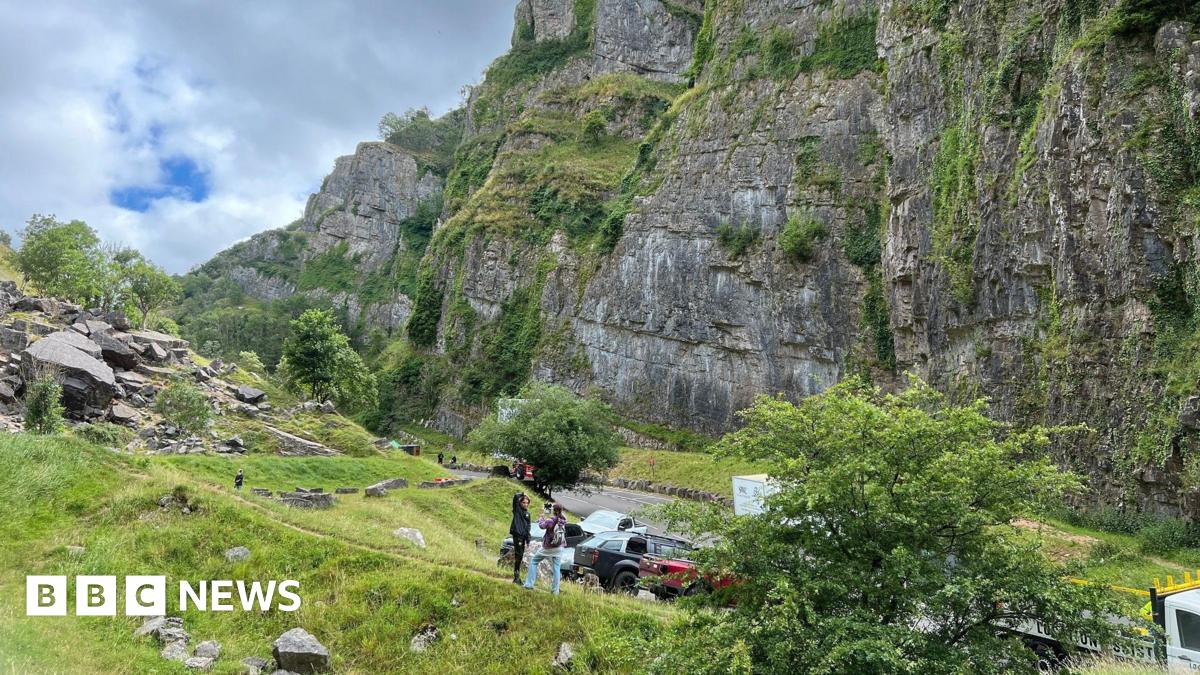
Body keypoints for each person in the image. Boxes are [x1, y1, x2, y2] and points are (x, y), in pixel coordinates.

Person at [524, 503, 567, 595]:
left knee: (534, 561)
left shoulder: (550, 520)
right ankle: (555, 591)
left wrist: (541, 517)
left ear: (553, 510)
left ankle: (529, 584)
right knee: (556, 568)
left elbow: (541, 526)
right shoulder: (563, 520)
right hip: (559, 547)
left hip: (548, 547)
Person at [508, 492, 531, 584]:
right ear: (520, 503)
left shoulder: (528, 514)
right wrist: (523, 494)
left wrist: (528, 538)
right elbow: (515, 497)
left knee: (520, 556)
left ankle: (517, 577)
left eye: (527, 503)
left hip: (524, 537)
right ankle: (516, 577)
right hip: (517, 535)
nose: (525, 504)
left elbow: (528, 527)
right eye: (523, 502)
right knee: (518, 555)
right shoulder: (517, 510)